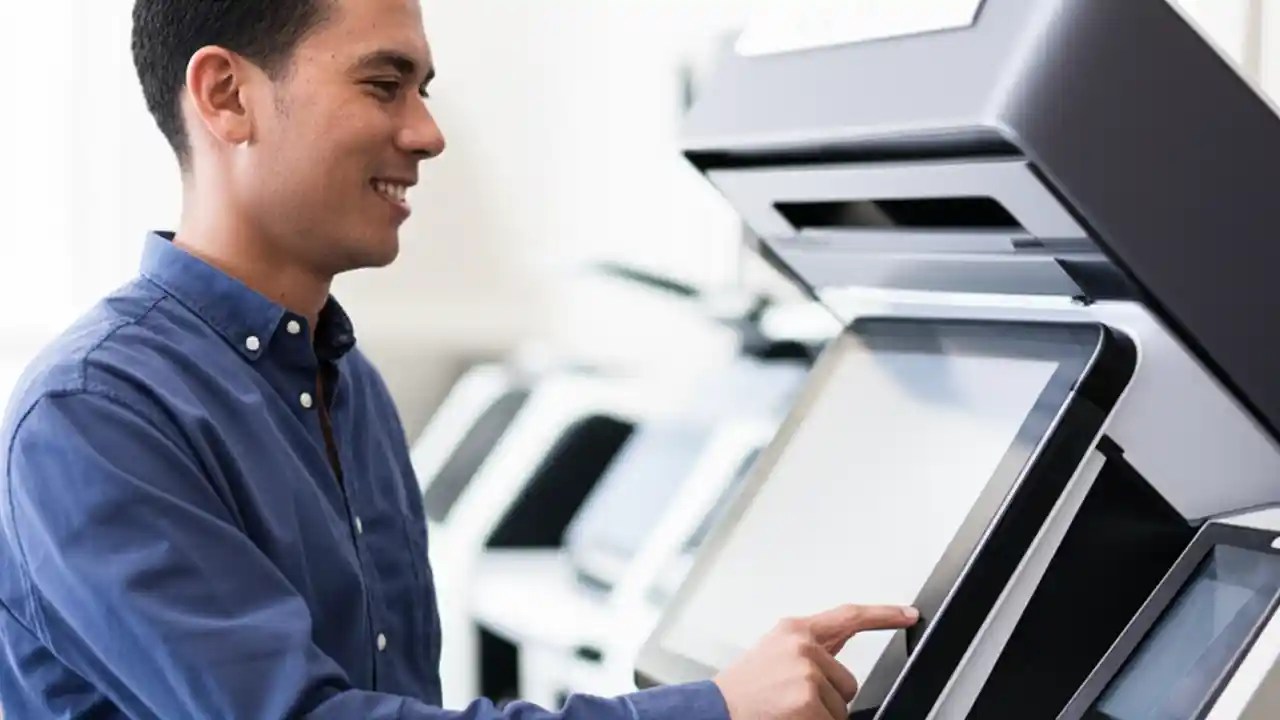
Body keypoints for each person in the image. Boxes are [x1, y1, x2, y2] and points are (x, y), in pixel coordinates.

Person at [0, 1, 919, 718]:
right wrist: (711, 709)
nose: (426, 132)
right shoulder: (95, 417)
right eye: (383, 83)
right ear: (227, 95)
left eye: (423, 88)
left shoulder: (344, 384)